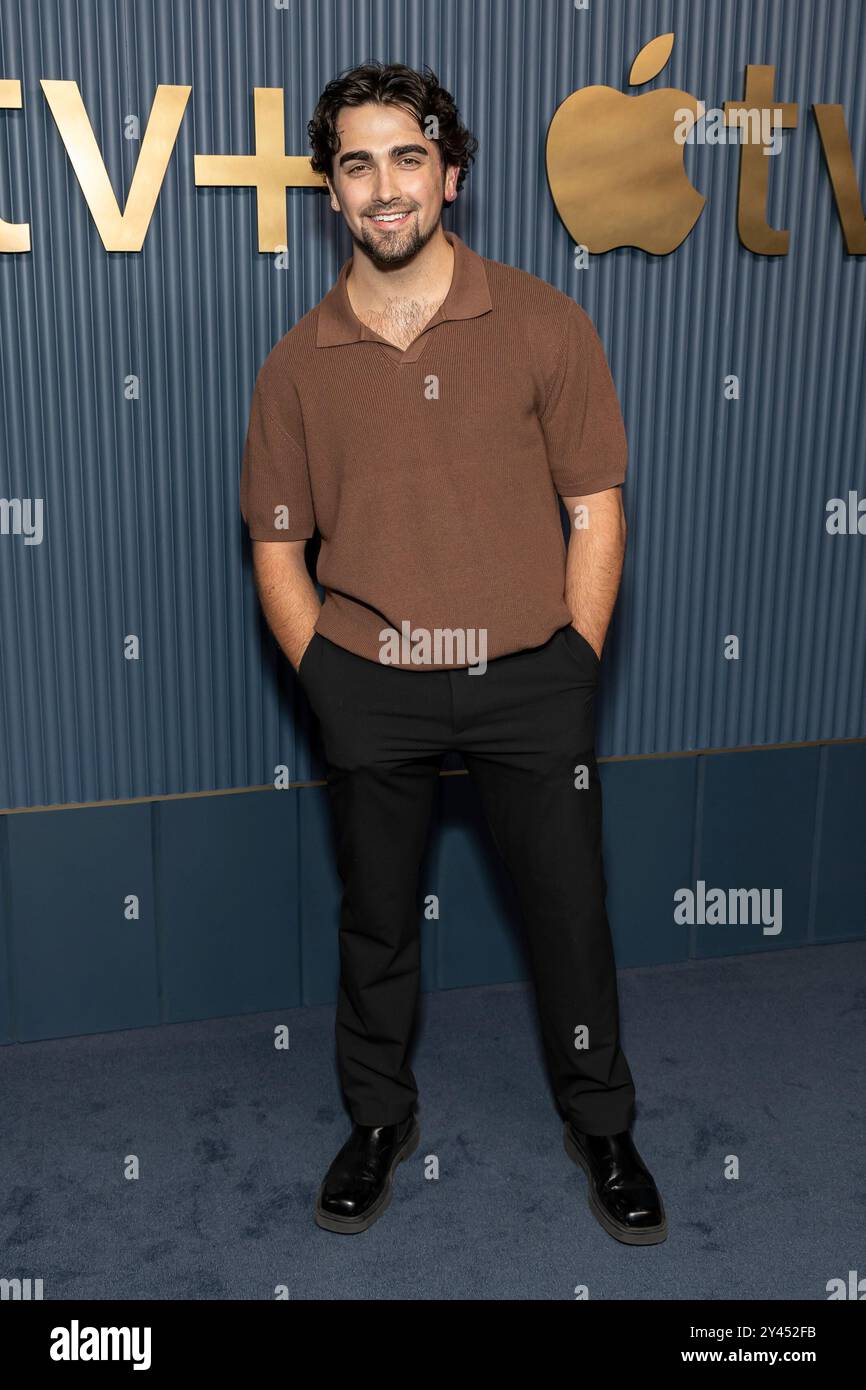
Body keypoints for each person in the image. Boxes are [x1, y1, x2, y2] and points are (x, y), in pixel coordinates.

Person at [240, 61, 666, 1245]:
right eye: (357, 163)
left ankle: (602, 1121)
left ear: (451, 175)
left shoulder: (541, 321)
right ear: (331, 190)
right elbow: (277, 546)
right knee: (374, 918)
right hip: (367, 682)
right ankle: (378, 1117)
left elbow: (594, 504)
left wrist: (573, 659)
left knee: (569, 913)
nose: (385, 187)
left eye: (407, 158)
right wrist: (325, 673)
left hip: (530, 676)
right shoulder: (294, 364)